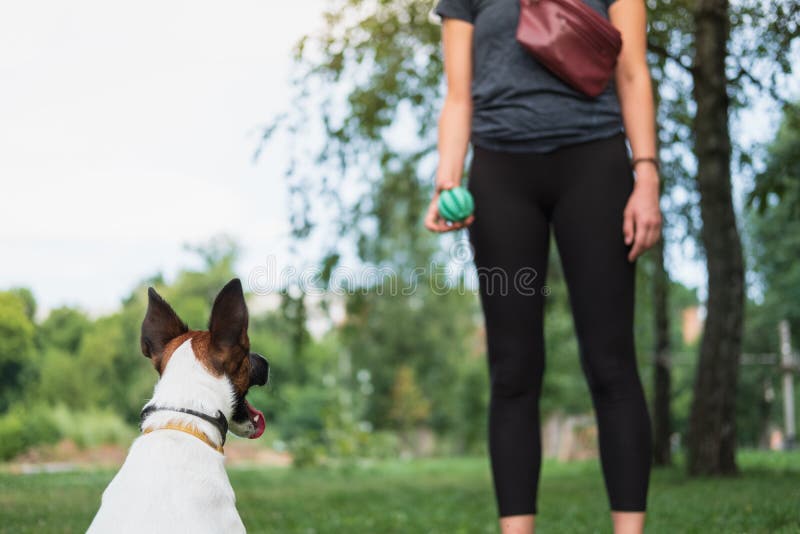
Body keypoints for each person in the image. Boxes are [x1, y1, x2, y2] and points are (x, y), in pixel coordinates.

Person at [425, 0, 662, 533]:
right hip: (500, 176)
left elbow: (632, 72)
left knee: (612, 365)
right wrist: (447, 180)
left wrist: (646, 177)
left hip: (595, 165)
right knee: (512, 371)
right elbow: (458, 95)